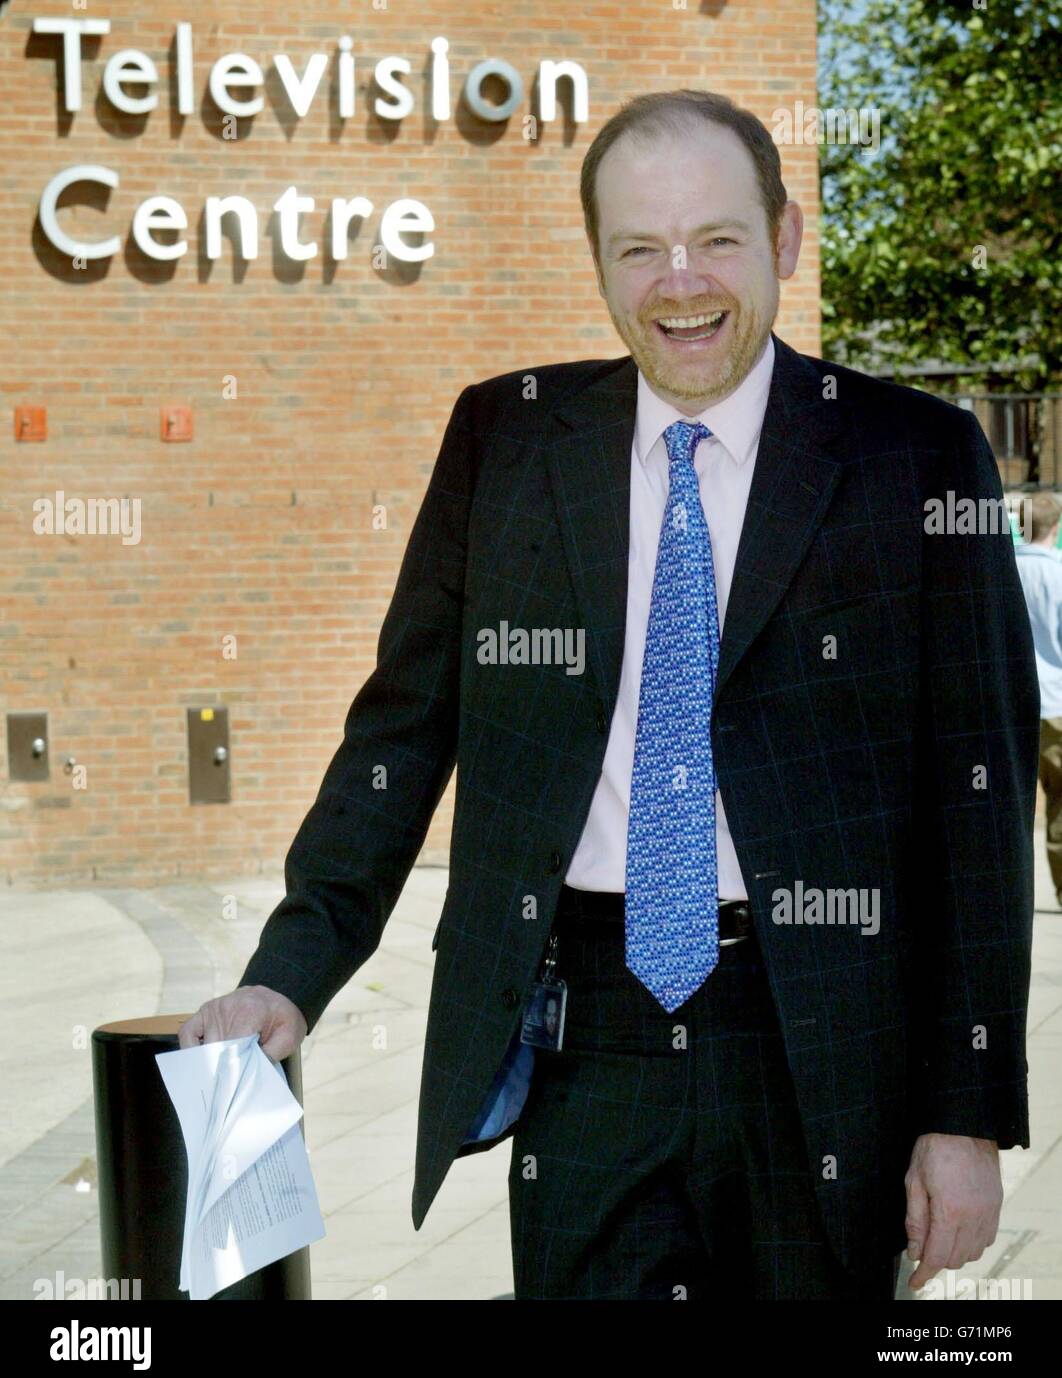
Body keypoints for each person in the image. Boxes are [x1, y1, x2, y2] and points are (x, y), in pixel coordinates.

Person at [179, 89, 1039, 1301]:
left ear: (785, 239)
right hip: (591, 1045)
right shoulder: (508, 442)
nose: (680, 282)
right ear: (598, 263)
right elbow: (402, 732)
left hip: (823, 1049)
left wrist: (966, 1110)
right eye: (640, 248)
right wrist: (290, 968)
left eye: (719, 239)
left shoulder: (916, 459)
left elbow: (980, 805)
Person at [1014, 492, 1062, 907]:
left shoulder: (1000, 570)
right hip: (1057, 705)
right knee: (1060, 807)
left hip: (1011, 707)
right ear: (1056, 528)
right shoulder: (1060, 576)